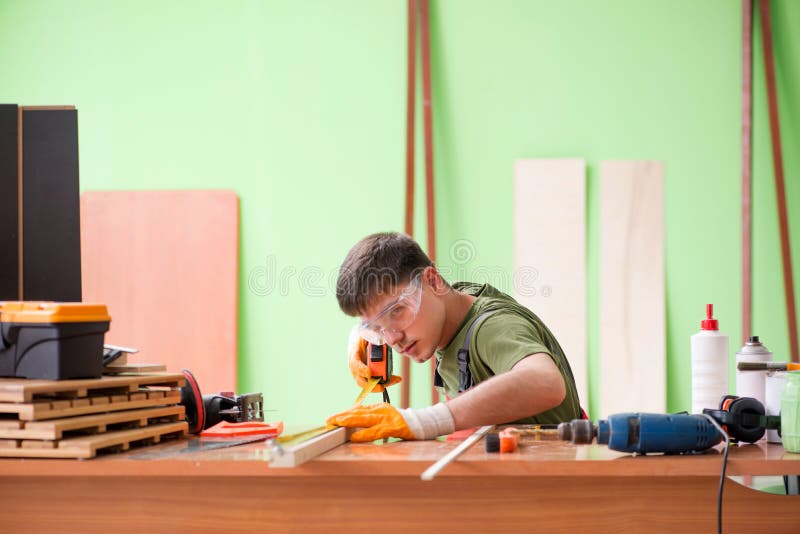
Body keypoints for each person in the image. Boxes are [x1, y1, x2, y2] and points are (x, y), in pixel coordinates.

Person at [326, 232, 581, 442]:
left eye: (397, 311)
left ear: (433, 280)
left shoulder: (491, 327)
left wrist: (425, 421)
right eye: (377, 327)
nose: (392, 340)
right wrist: (367, 333)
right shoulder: (454, 306)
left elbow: (547, 382)